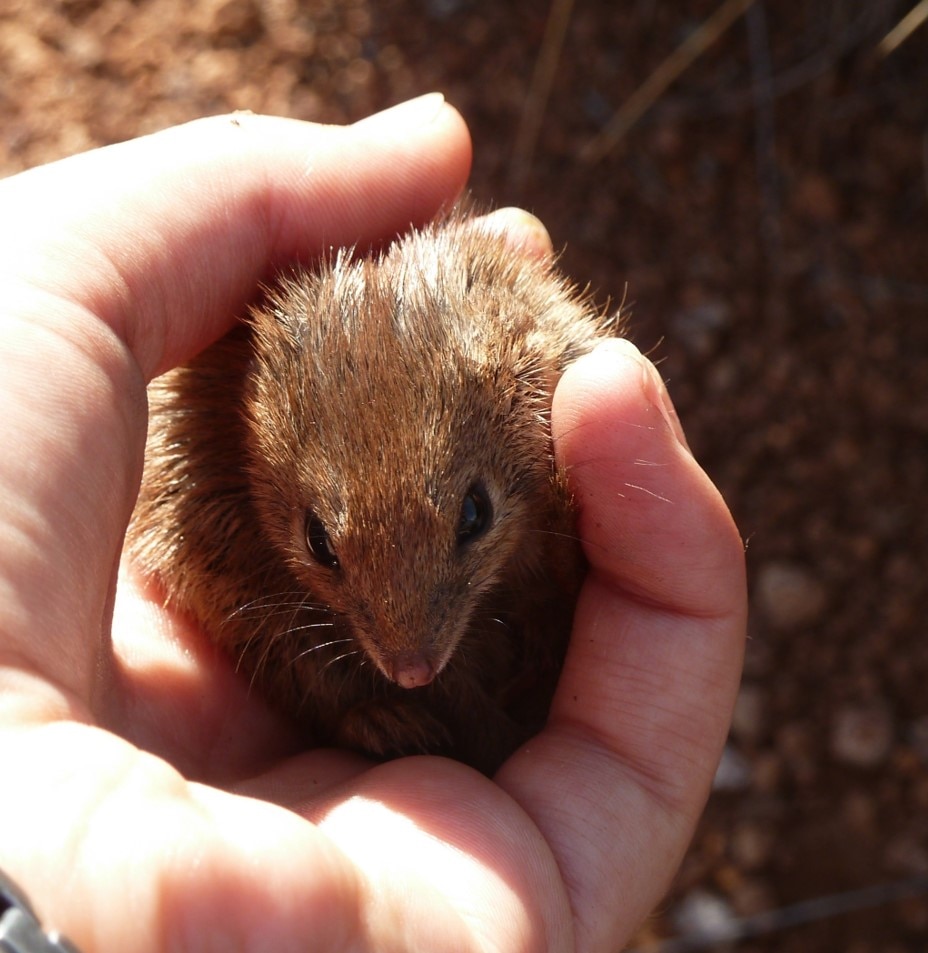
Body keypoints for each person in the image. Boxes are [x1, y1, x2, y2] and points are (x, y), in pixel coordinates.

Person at [0, 94, 746, 953]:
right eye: (324, 546)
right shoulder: (248, 413)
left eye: (471, 517)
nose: (409, 659)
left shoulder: (519, 353)